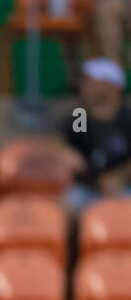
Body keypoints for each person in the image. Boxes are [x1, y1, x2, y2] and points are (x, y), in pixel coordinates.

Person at [55, 58, 131, 209]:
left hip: (124, 188)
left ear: (112, 86)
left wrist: (119, 177)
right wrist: (64, 151)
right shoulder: (81, 117)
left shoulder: (127, 119)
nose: (84, 86)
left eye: (91, 82)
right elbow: (60, 142)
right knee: (63, 207)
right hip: (87, 190)